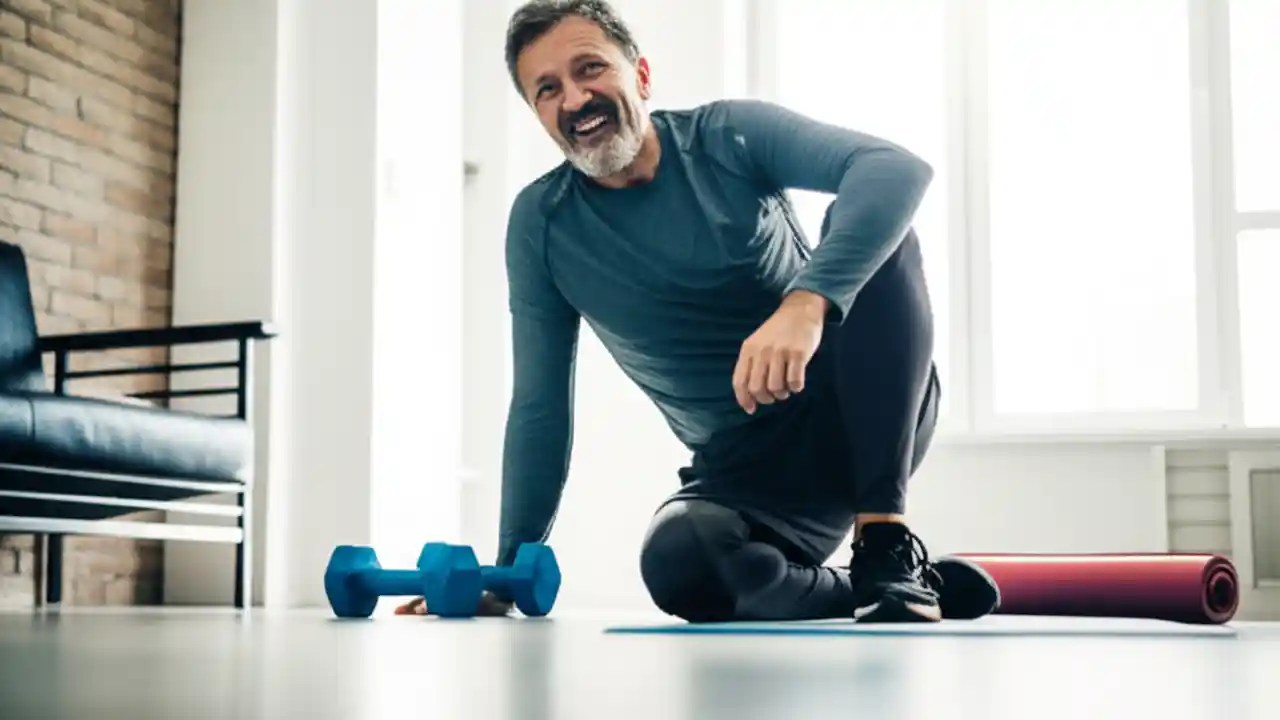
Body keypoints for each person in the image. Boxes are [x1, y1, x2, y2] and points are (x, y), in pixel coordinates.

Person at [401, 0, 999, 623]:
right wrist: (506, 573)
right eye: (547, 89)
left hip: (861, 417)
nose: (575, 99)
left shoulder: (728, 136)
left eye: (589, 69)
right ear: (537, 113)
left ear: (641, 76)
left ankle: (884, 542)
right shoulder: (541, 224)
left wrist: (806, 303)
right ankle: (877, 586)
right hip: (746, 474)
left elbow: (893, 168)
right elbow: (540, 407)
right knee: (679, 558)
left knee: (884, 240)